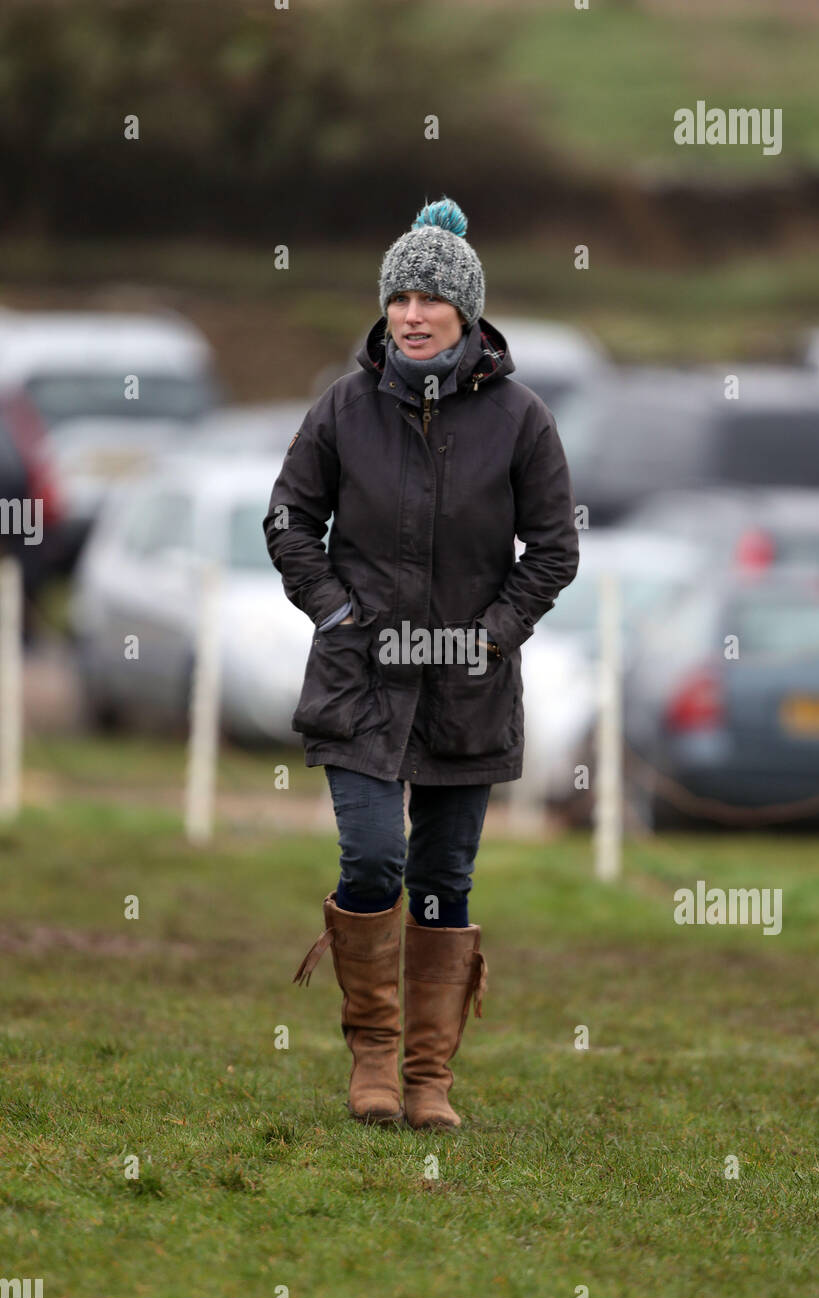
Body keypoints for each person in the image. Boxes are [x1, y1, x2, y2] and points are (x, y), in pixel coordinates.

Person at [263, 196, 579, 1130]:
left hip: (468, 689)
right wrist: (336, 610)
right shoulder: (343, 405)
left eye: (429, 299)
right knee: (373, 861)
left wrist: (490, 634)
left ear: (466, 313)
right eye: (398, 294)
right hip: (360, 681)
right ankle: (372, 1054)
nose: (410, 312)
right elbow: (289, 520)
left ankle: (429, 1080)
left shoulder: (522, 421)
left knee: (445, 880)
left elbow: (554, 551)